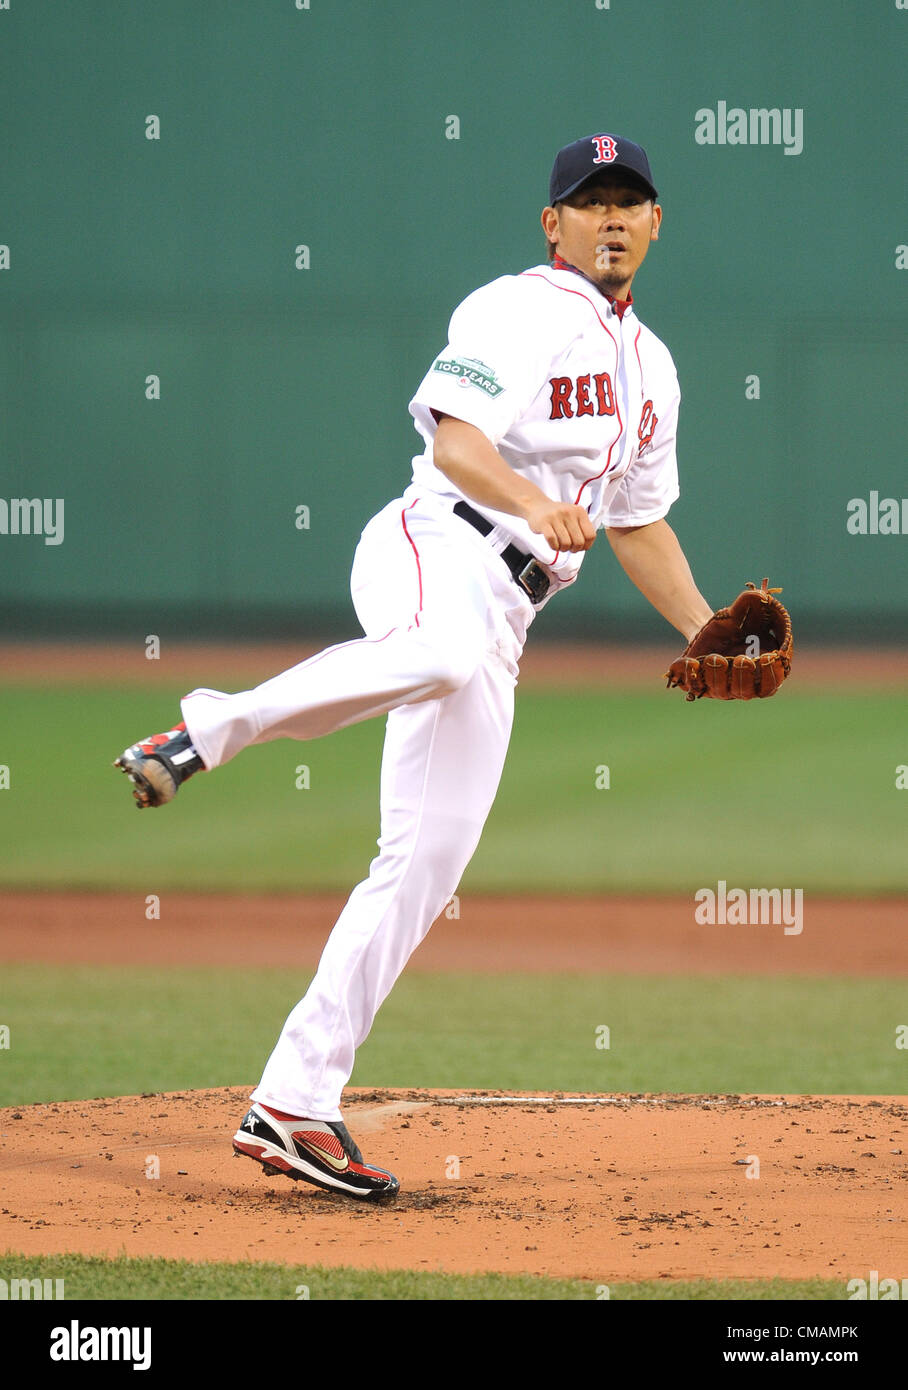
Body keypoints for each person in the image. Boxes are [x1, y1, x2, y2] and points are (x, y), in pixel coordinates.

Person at [114, 133, 713, 1201]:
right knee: (433, 650)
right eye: (590, 200)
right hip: (435, 543)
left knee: (425, 861)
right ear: (553, 223)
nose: (611, 216)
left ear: (656, 221)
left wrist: (704, 631)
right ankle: (209, 724)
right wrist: (532, 503)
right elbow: (453, 440)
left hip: (510, 613)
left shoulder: (652, 367)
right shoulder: (516, 307)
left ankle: (292, 1103)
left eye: (629, 200)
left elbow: (639, 525)